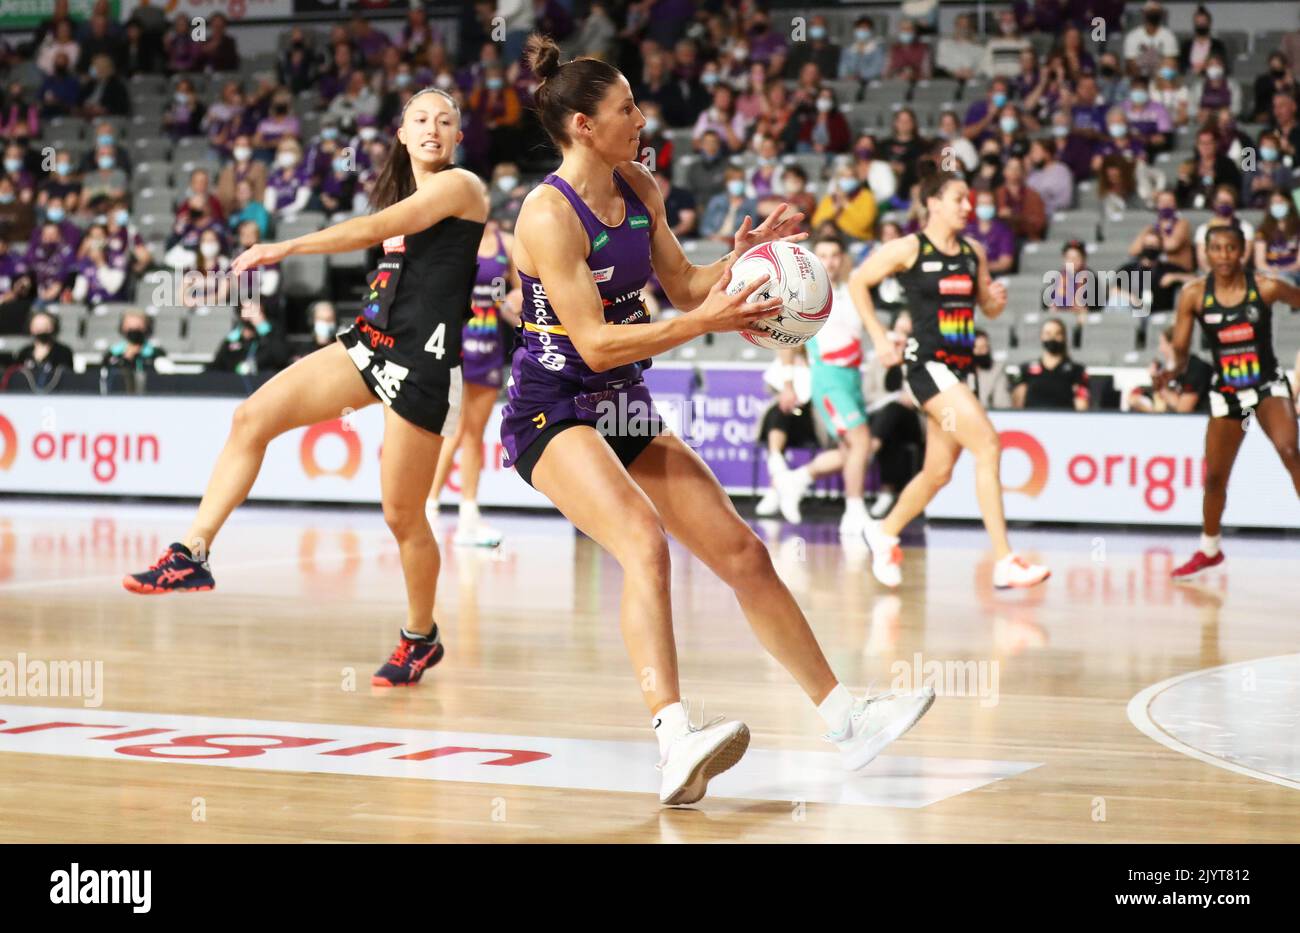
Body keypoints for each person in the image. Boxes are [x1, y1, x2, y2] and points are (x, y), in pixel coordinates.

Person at [503, 36, 934, 806]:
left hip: (622, 400)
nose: (642, 116)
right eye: (625, 107)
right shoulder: (545, 215)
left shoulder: (638, 187)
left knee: (742, 549)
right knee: (641, 539)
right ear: (582, 127)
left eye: (637, 101)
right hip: (553, 405)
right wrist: (706, 318)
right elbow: (596, 344)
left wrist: (738, 263)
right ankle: (673, 740)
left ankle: (847, 718)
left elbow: (683, 284)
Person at [123, 88, 489, 692]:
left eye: (445, 121)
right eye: (420, 119)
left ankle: (420, 637)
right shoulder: (403, 187)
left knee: (402, 515)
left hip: (423, 367)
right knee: (251, 418)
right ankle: (192, 553)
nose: (432, 128)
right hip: (369, 345)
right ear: (401, 133)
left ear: (456, 139)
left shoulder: (461, 187)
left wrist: (287, 245)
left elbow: (376, 226)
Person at [848, 167, 1050, 591]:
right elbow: (857, 281)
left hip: (961, 368)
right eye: (959, 198)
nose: (968, 206)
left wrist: (993, 304)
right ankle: (1004, 560)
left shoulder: (973, 251)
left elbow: (986, 308)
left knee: (938, 472)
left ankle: (883, 533)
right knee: (990, 445)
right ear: (933, 204)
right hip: (927, 365)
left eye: (969, 199)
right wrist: (881, 338)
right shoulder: (907, 248)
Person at [1167, 225, 1300, 578]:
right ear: (1206, 253)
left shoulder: (1267, 286)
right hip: (1227, 393)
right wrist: (1169, 371)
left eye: (1230, 248)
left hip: (1267, 385)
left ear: (1242, 252)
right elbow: (1180, 350)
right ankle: (1209, 548)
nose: (1224, 255)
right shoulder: (1194, 295)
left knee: (1291, 453)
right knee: (1214, 478)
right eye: (1217, 248)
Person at [768, 236, 875, 535]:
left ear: (842, 259)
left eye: (835, 255)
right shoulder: (806, 296)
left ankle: (796, 479)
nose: (829, 261)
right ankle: (854, 513)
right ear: (814, 260)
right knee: (862, 440)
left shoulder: (853, 291)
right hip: (828, 377)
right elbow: (786, 340)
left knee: (851, 450)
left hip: (852, 376)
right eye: (823, 255)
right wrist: (788, 384)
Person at [428, 207, 520, 547]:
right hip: (459, 343)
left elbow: (516, 294)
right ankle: (431, 506)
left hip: (490, 345)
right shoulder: (459, 239)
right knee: (453, 430)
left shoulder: (506, 243)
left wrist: (521, 314)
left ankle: (468, 512)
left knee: (475, 435)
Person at [1129, 325, 1212, 413]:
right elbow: (1170, 402)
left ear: (1173, 345)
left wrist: (1160, 387)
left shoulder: (1196, 369)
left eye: (1162, 344)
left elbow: (1184, 409)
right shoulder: (1177, 370)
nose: (1160, 349)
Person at [1012, 318, 1090, 411]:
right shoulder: (1026, 369)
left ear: (1064, 337)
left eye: (1057, 334)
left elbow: (1082, 405)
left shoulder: (1077, 370)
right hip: (1032, 420)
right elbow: (1017, 404)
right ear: (1041, 336)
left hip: (1065, 420)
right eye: (1048, 333)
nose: (1052, 338)